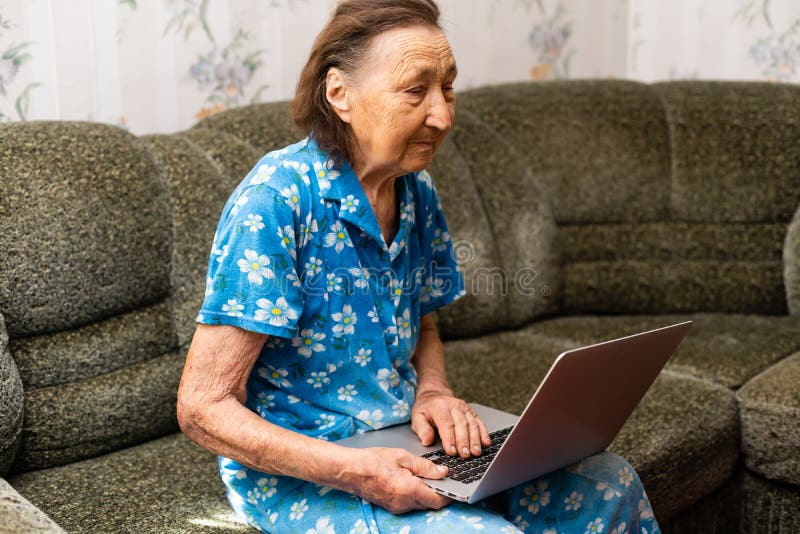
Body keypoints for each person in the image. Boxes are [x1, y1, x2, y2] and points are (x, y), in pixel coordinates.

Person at [177, 1, 661, 532]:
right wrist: (356, 470)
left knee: (608, 482)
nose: (443, 115)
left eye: (447, 88)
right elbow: (203, 408)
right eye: (415, 91)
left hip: (405, 438)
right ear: (339, 94)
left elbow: (422, 320)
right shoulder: (276, 202)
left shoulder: (415, 188)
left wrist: (433, 391)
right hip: (308, 468)